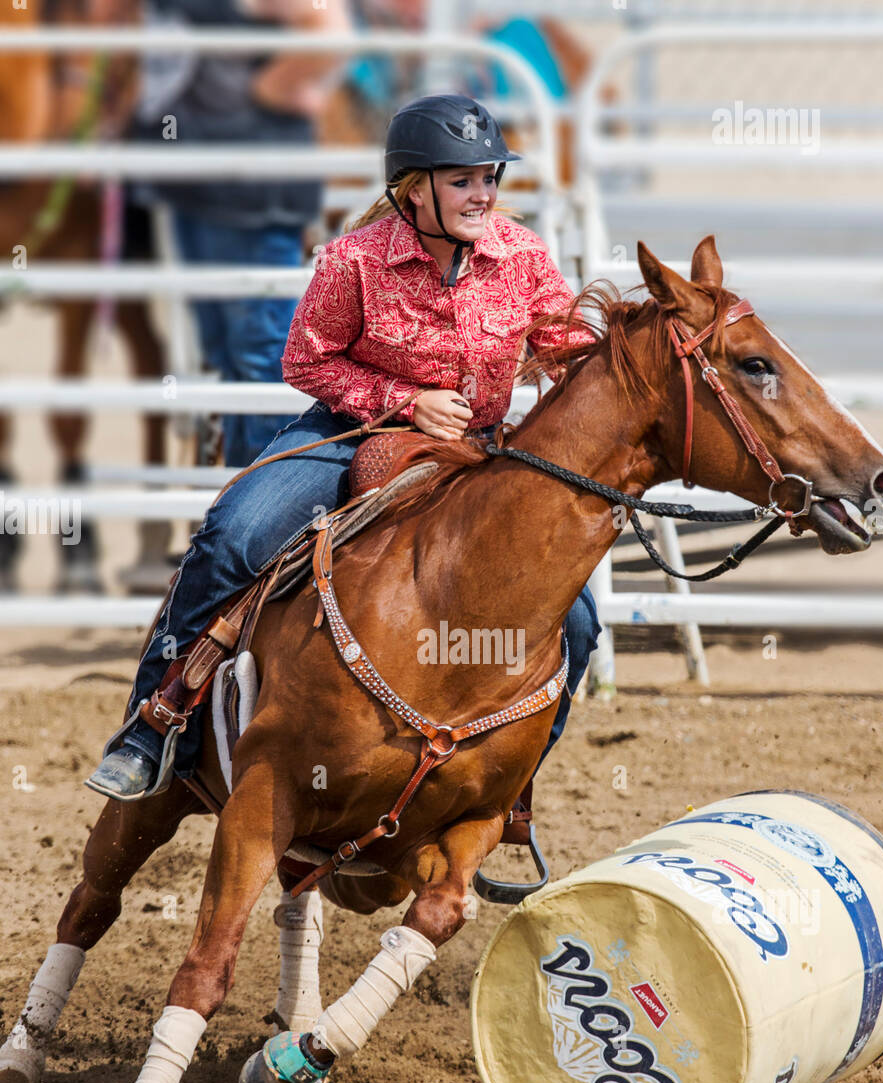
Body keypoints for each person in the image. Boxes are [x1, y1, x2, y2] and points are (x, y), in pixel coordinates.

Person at [87, 93, 600, 801]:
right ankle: (153, 724)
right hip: (350, 429)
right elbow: (306, 361)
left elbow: (568, 348)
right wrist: (404, 401)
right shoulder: (351, 260)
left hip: (477, 451)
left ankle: (515, 785)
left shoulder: (522, 258)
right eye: (463, 180)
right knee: (234, 534)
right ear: (413, 189)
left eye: (488, 176)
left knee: (575, 616)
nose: (482, 193)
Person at [132, 0, 351, 471]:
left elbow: (329, 25)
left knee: (261, 354)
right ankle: (240, 494)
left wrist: (268, 92)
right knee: (228, 357)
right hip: (197, 190)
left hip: (250, 192)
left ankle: (267, 508)